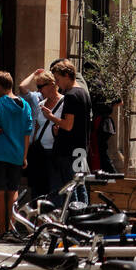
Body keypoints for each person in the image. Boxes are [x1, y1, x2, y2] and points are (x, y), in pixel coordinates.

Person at [0, 72, 34, 236]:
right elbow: (27, 134)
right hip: (16, 154)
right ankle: (12, 228)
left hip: (0, 154)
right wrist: (24, 156)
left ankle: (2, 229)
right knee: (13, 192)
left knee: (0, 192)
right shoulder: (25, 106)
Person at [42, 60, 91, 204]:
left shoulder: (70, 95)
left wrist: (51, 117)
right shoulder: (83, 92)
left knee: (71, 187)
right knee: (80, 185)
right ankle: (83, 217)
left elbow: (68, 125)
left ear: (67, 76)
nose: (57, 83)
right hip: (81, 147)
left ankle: (74, 218)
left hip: (69, 149)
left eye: (57, 79)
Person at [18, 69, 62, 200]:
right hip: (39, 152)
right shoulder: (40, 103)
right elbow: (37, 126)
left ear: (52, 84)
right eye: (38, 87)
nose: (39, 90)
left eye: (41, 86)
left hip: (54, 153)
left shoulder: (64, 102)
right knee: (37, 190)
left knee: (54, 189)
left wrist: (52, 118)